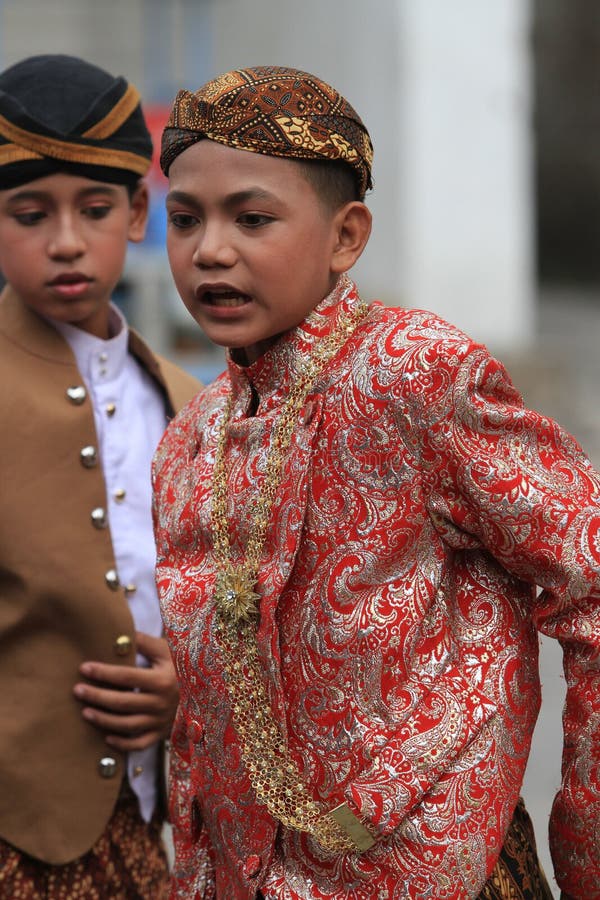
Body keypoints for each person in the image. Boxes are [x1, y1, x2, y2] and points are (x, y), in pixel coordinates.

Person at [151, 66, 600, 900]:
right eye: (184, 219)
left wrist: (588, 849)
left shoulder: (411, 373)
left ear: (346, 236)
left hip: (435, 876)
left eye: (252, 218)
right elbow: (203, 716)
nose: (209, 249)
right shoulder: (192, 438)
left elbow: (591, 569)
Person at [0, 55, 199, 898]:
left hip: (138, 830)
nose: (66, 241)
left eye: (94, 209)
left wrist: (185, 691)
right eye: (29, 214)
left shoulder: (187, 400)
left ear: (139, 212)